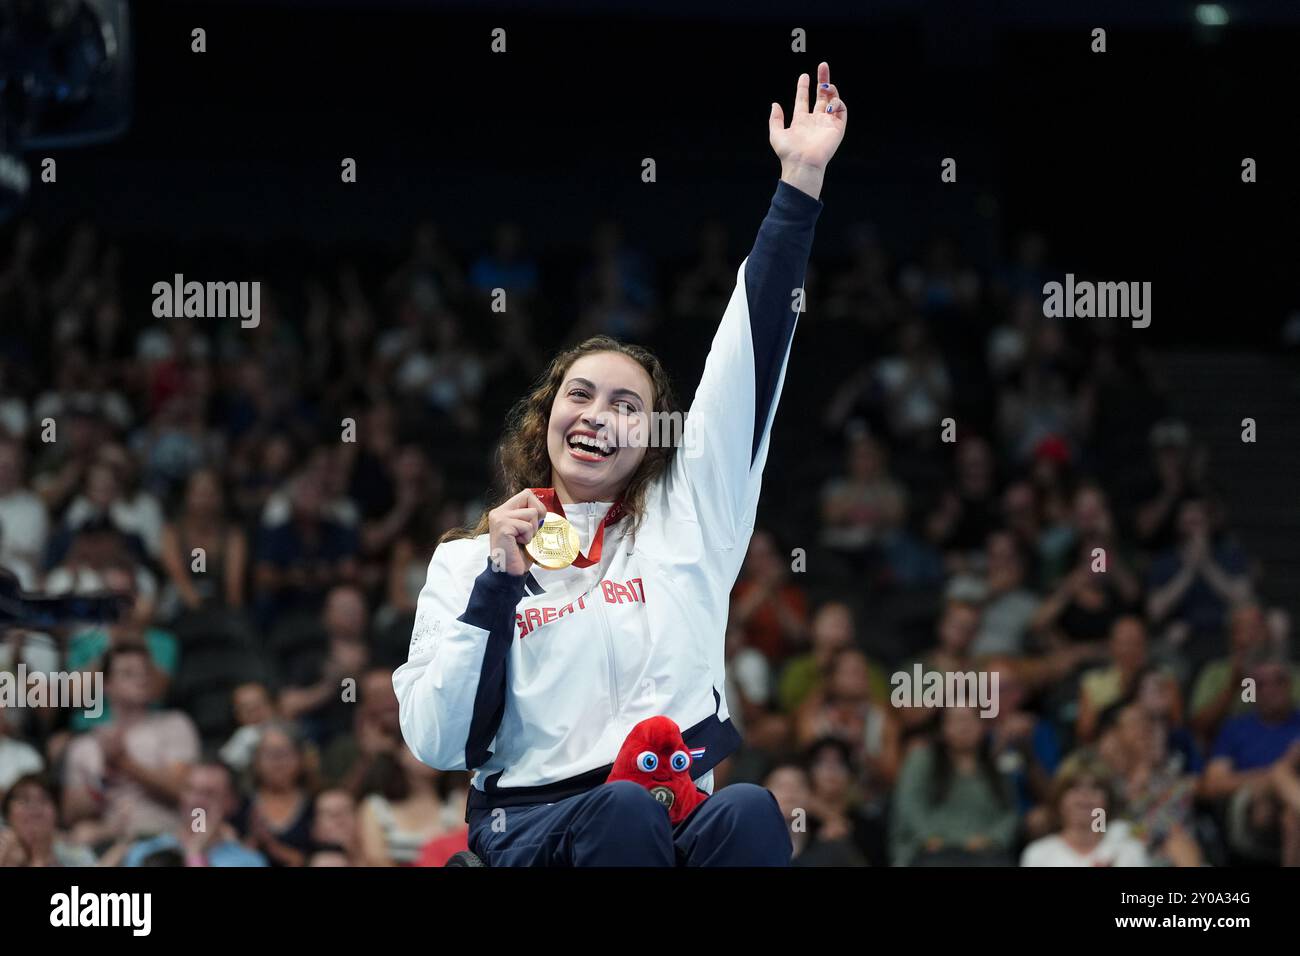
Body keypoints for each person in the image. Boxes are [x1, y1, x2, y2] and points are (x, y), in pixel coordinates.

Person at [393, 64, 847, 867]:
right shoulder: (467, 560)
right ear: (548, 415)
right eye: (581, 395)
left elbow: (750, 356)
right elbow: (435, 740)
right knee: (623, 816)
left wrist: (798, 186)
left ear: (655, 436)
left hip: (667, 813)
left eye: (627, 405)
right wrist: (497, 585)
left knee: (745, 809)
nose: (598, 416)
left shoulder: (690, 516)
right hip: (529, 831)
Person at [888, 706, 1020, 866]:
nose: (964, 728)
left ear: (984, 726)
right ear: (943, 727)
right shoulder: (923, 759)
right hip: (930, 849)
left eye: (971, 720)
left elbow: (1009, 813)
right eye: (956, 721)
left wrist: (993, 838)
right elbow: (909, 804)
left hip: (984, 851)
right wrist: (928, 837)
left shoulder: (995, 764)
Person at [123, 761, 268, 867]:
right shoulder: (144, 852)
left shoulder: (247, 862)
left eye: (208, 794)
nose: (196, 802)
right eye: (190, 790)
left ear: (230, 802)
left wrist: (195, 851)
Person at [1020, 758, 1150, 866]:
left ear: (1108, 800)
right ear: (1059, 799)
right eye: (1075, 788)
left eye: (1095, 788)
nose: (1084, 796)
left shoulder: (1129, 850)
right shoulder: (1037, 855)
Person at [0, 774, 97, 867]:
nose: (35, 809)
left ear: (56, 814)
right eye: (24, 800)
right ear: (7, 812)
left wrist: (39, 860)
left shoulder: (77, 856)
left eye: (44, 800)